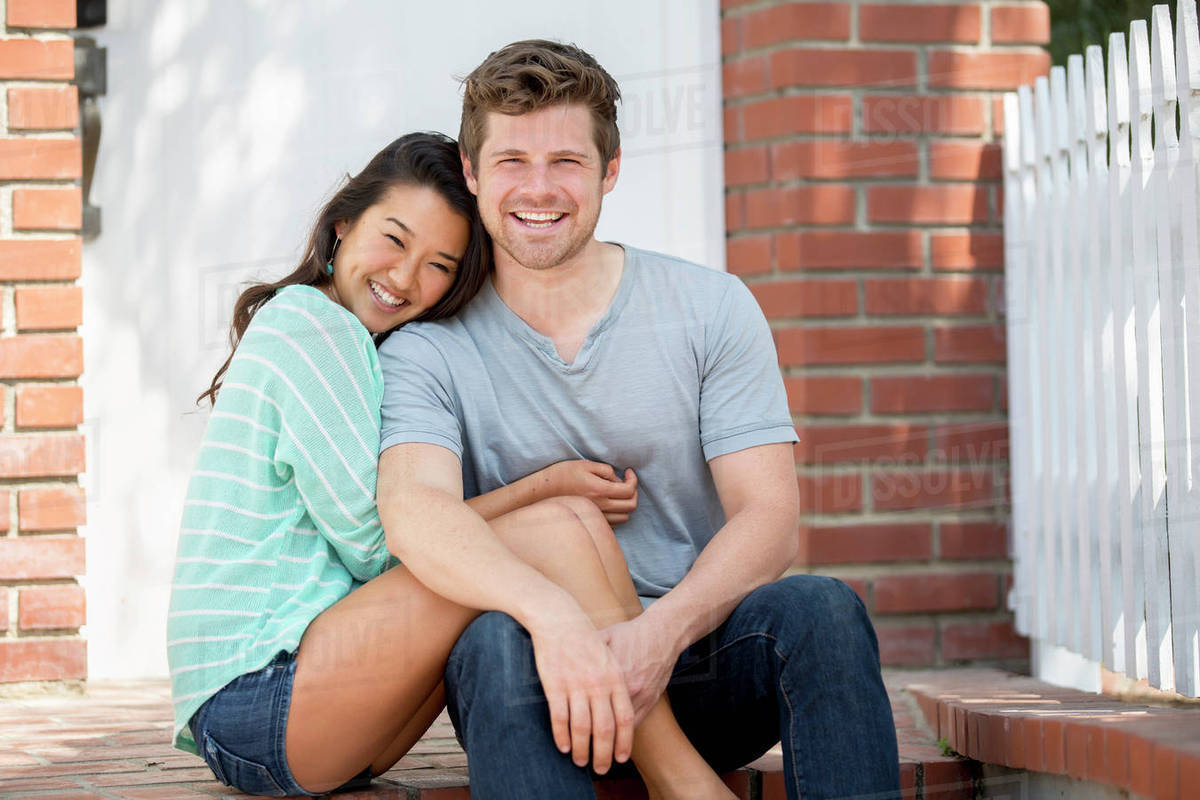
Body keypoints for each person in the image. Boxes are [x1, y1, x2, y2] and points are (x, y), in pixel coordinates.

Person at [376, 42, 902, 800]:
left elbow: (770, 516)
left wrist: (658, 637)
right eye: (512, 161)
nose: (538, 188)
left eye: (566, 161)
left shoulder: (708, 308)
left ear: (610, 170)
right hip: (537, 683)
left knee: (821, 609)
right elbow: (414, 513)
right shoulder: (427, 348)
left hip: (698, 661)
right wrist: (555, 620)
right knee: (489, 641)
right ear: (470, 170)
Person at [168, 132, 681, 796]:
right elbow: (383, 544)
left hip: (316, 713)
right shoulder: (310, 326)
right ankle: (681, 779)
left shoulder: (355, 344)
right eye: (395, 239)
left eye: (439, 264)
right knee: (557, 529)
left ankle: (637, 750)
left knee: (539, 551)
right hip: (260, 700)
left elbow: (417, 537)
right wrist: (540, 492)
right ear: (342, 224)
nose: (405, 278)